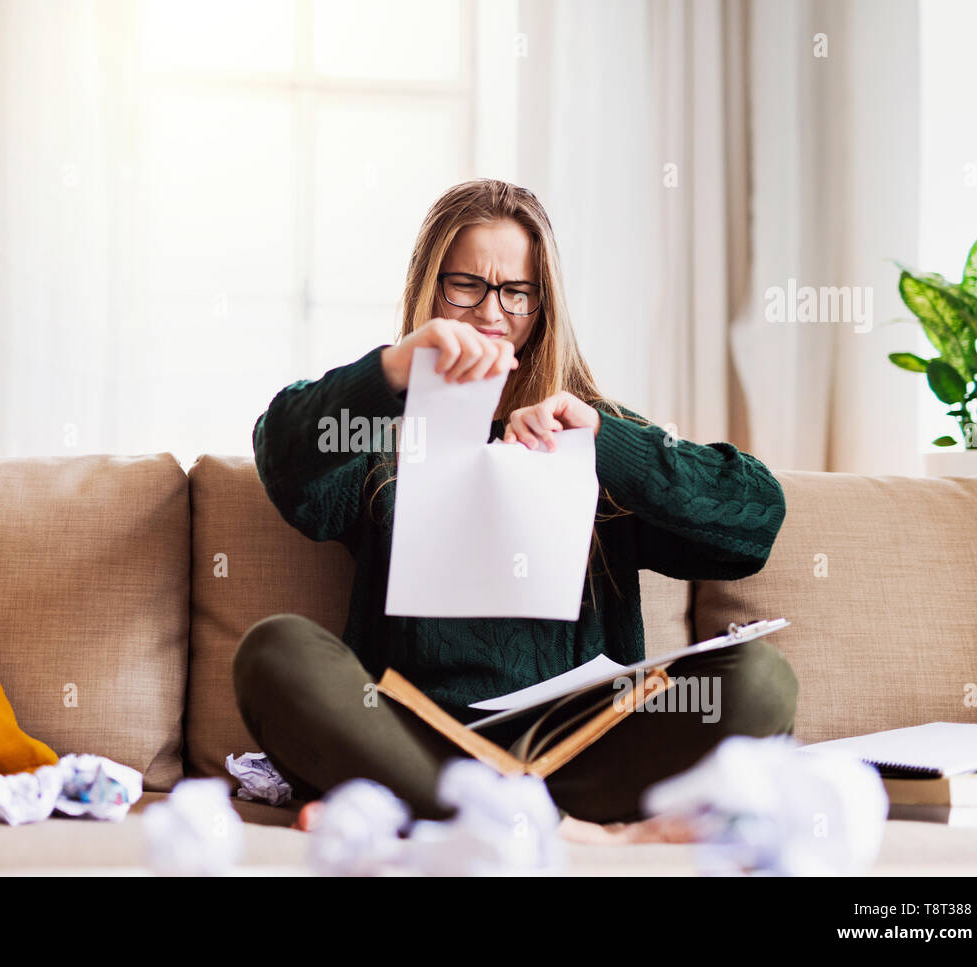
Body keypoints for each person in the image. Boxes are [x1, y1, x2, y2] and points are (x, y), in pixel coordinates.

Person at [235, 178, 796, 844]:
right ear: (429, 288)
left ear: (542, 303)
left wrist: (607, 445)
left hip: (579, 749)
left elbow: (754, 519)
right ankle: (529, 826)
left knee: (761, 681)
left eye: (516, 291)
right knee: (274, 651)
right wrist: (388, 371)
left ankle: (467, 822)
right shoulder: (384, 426)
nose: (490, 312)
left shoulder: (594, 430)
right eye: (465, 284)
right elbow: (284, 454)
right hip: (418, 741)